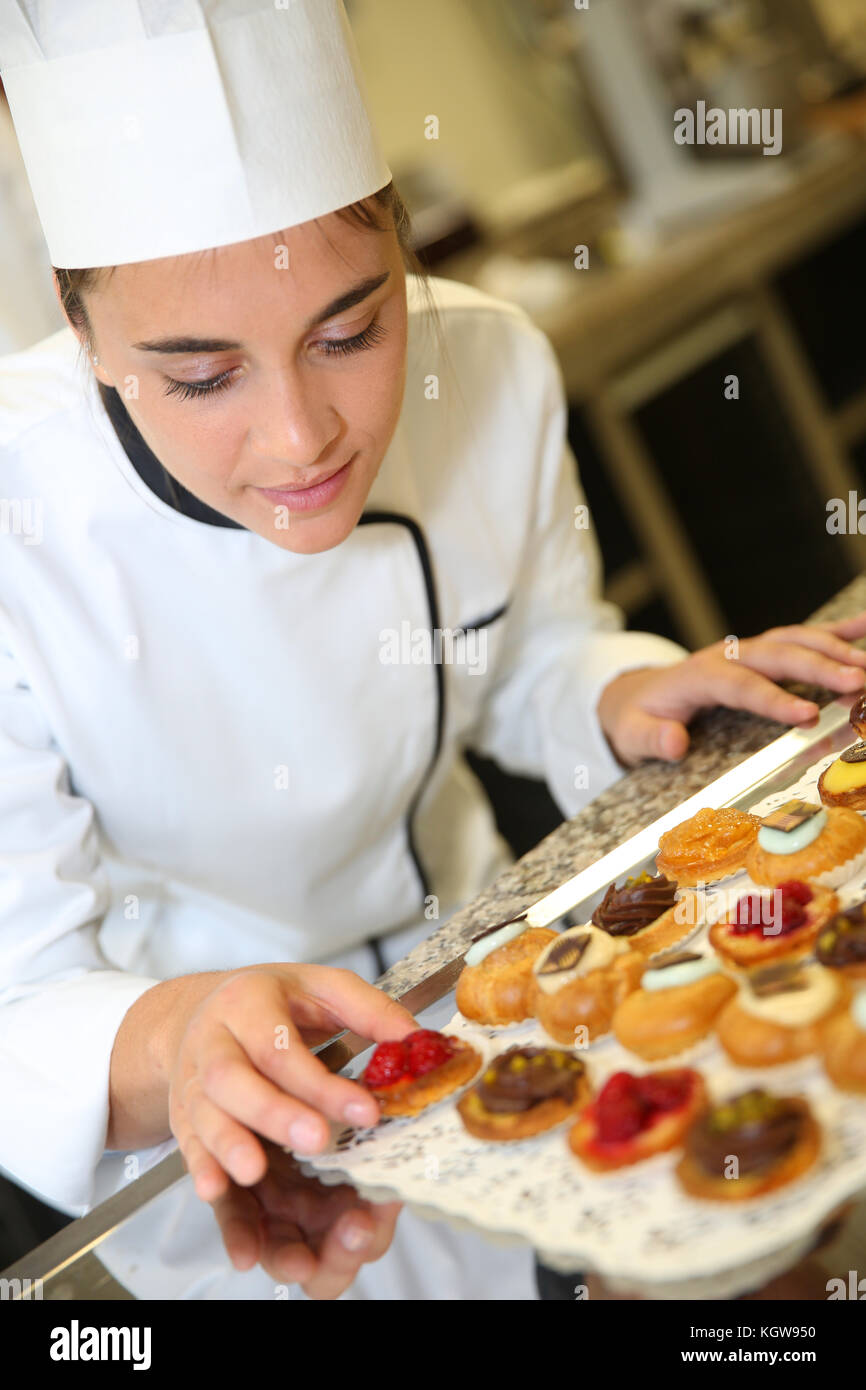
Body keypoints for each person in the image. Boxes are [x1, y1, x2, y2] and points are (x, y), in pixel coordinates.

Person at [2, 0, 865, 1301]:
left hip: (501, 996)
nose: (301, 438)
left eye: (350, 332)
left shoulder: (491, 366)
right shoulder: (18, 524)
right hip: (236, 1160)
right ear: (81, 330)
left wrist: (612, 686)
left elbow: (527, 655)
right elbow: (19, 992)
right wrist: (177, 1033)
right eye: (199, 378)